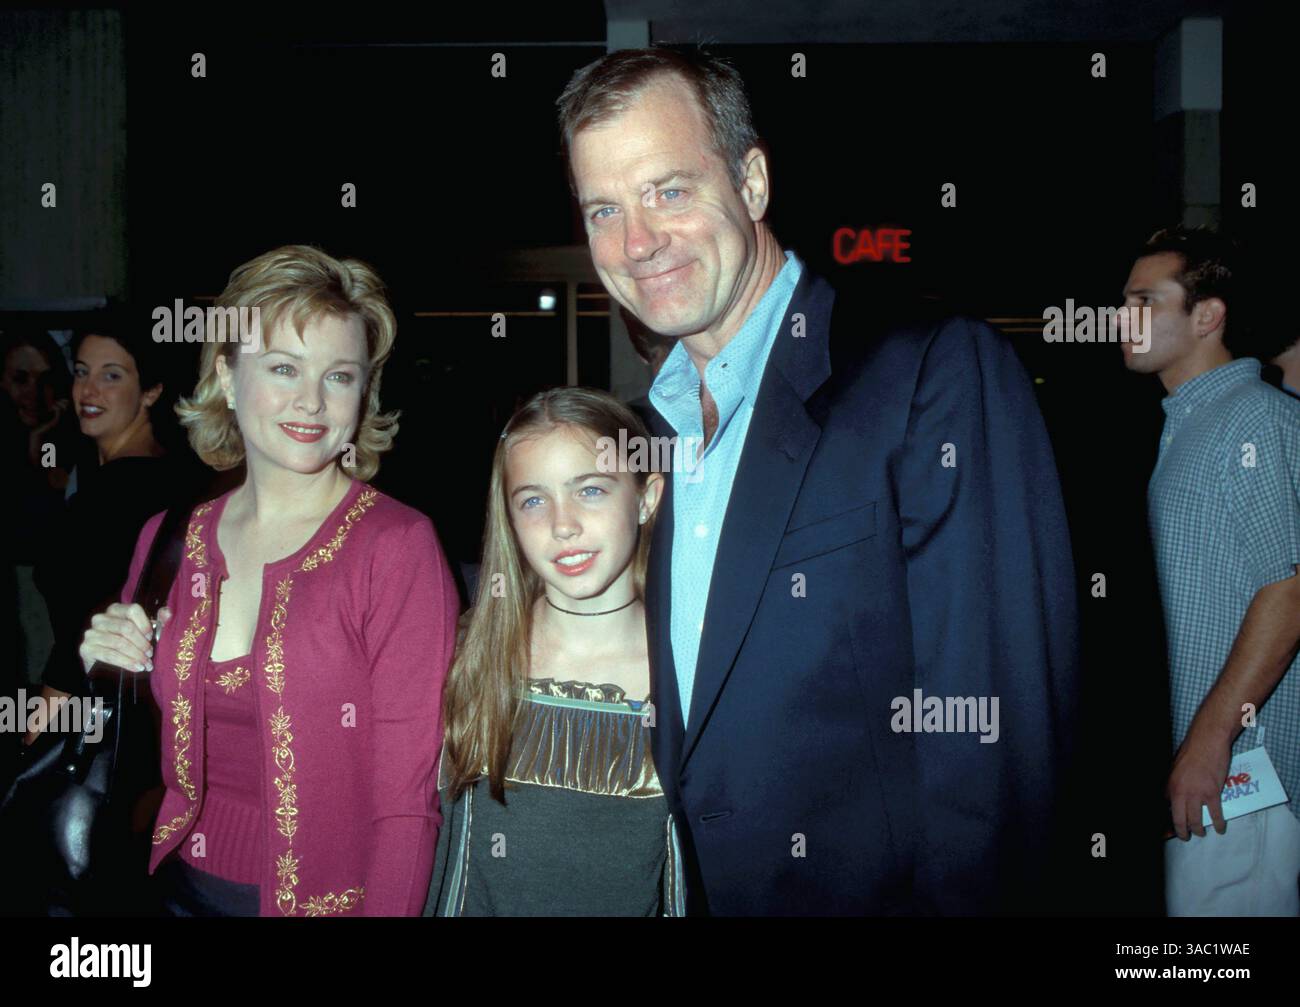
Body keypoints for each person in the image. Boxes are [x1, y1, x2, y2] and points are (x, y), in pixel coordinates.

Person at [555, 47, 1080, 915]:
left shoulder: (928, 375)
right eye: (603, 208)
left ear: (752, 182)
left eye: (668, 190)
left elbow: (998, 741)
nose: (635, 241)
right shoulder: (642, 438)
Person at [76, 245, 461, 916]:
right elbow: (131, 731)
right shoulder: (170, 539)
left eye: (339, 376)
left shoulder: (397, 548)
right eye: (283, 368)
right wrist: (105, 660)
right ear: (227, 376)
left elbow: (406, 808)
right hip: (171, 890)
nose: (311, 401)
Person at [426, 386, 682, 916]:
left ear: (647, 497)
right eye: (534, 500)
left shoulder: (690, 671)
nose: (562, 525)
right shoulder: (465, 652)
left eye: (590, 490)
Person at [1118, 226, 1300, 916]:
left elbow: (1287, 588)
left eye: (1144, 300)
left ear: (1207, 314)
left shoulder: (1248, 418)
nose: (1121, 317)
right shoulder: (1194, 420)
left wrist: (1210, 738)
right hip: (1226, 769)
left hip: (1250, 772)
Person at [26, 307, 204, 741]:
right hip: (149, 717)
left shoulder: (115, 494)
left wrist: (35, 738)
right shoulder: (170, 475)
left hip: (93, 718)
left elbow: (82, 637)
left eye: (112, 376)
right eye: (82, 371)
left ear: (151, 391)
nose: (88, 389)